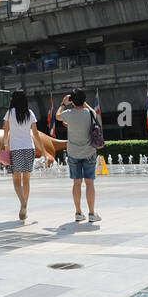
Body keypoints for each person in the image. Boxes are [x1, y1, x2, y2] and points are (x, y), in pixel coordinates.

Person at [57, 89, 100, 223]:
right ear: (84, 100)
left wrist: (63, 104)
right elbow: (93, 111)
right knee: (90, 183)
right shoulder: (90, 113)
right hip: (89, 152)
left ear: (72, 101)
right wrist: (82, 101)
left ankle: (78, 213)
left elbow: (57, 116)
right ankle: (92, 213)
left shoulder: (68, 113)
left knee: (76, 183)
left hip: (73, 153)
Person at [0, 90, 37, 220]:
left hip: (15, 149)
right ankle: (25, 209)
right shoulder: (30, 113)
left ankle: (23, 203)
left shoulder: (9, 113)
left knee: (16, 180)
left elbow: (5, 133)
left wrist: (6, 146)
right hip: (29, 148)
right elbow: (36, 134)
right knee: (26, 180)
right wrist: (42, 151)